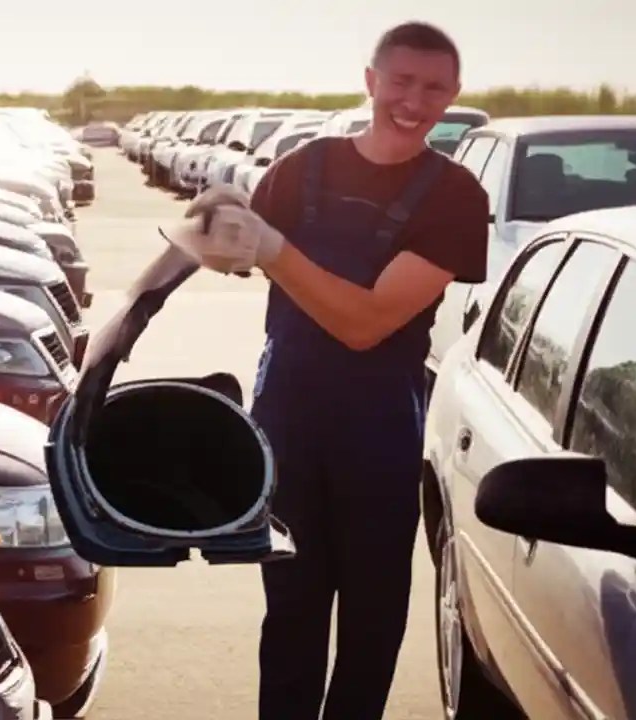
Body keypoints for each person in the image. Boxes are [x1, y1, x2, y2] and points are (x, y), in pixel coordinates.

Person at [158, 21, 490, 720]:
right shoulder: (303, 167)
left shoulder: (454, 197)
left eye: (434, 87)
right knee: (291, 618)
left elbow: (366, 324)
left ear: (454, 95)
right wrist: (213, 224)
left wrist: (275, 247)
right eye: (400, 80)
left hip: (378, 433)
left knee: (372, 626)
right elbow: (228, 257)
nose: (413, 99)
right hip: (287, 423)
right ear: (370, 80)